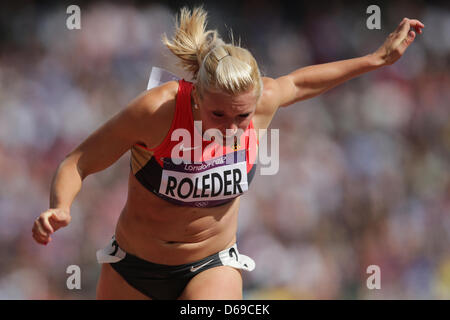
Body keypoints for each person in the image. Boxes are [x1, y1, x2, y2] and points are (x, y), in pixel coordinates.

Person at [31, 6, 424, 300]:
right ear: (196, 95)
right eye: (219, 114)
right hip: (132, 268)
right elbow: (78, 161)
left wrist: (376, 60)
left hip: (211, 265)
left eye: (242, 116)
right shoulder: (157, 111)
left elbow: (301, 83)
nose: (232, 128)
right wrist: (60, 206)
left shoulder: (262, 102)